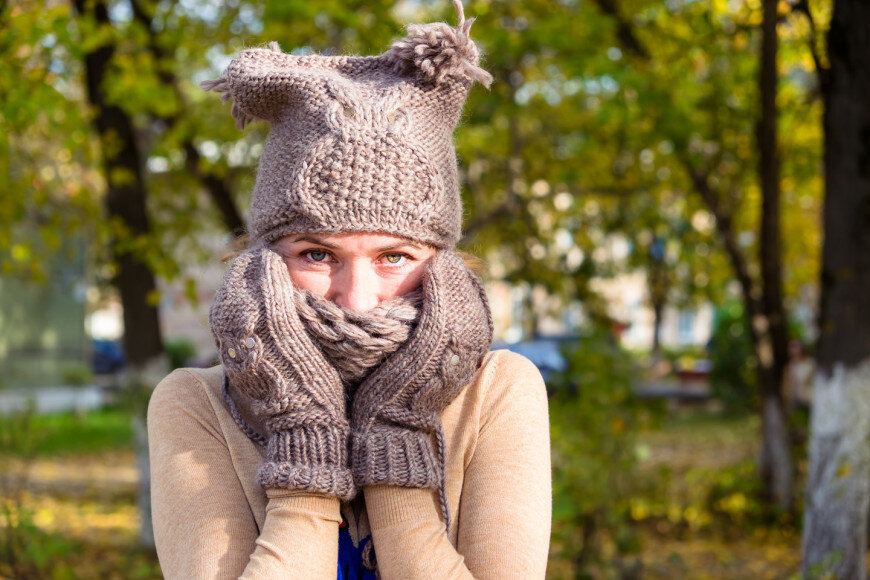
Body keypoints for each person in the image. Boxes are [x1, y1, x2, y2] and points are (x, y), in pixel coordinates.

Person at [146, 1, 552, 578]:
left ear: (444, 266)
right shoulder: (197, 403)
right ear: (260, 262)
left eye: (394, 257)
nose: (357, 298)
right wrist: (302, 439)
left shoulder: (498, 393)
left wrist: (397, 438)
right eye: (317, 254)